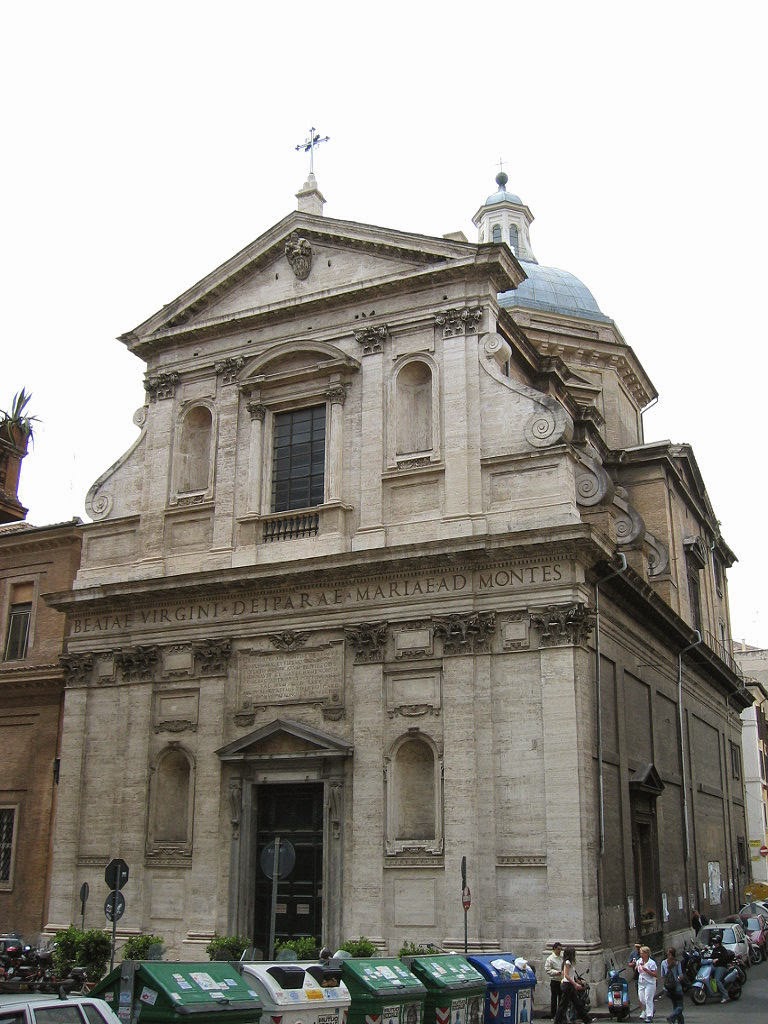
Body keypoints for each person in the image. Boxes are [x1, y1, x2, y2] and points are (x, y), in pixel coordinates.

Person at [554, 946, 591, 1024]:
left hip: (568, 985)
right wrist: (575, 984)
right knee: (564, 1005)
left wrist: (577, 981)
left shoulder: (568, 962)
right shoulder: (567, 962)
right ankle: (557, 1021)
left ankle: (587, 1019)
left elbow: (570, 975)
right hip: (567, 985)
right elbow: (566, 975)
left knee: (576, 1003)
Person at [660, 948, 684, 1024]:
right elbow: (681, 975)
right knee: (680, 1007)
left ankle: (679, 1022)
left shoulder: (663, 963)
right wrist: (677, 979)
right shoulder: (677, 962)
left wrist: (667, 982)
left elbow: (662, 975)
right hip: (677, 987)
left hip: (668, 988)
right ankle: (671, 1017)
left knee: (675, 1006)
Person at [710, 932, 735, 1003]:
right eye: (714, 942)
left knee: (717, 980)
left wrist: (718, 959)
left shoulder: (722, 949)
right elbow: (711, 957)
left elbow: (725, 958)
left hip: (721, 966)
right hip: (714, 966)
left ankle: (725, 996)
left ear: (719, 942)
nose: (714, 944)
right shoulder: (714, 950)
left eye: (716, 942)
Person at [636, 945, 657, 1022]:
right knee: (642, 999)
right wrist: (636, 966)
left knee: (648, 998)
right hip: (641, 983)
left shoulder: (651, 963)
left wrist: (647, 970)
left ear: (647, 953)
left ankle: (649, 1016)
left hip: (650, 983)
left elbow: (655, 974)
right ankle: (651, 1008)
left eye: (642, 953)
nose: (641, 954)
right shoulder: (639, 961)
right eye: (640, 953)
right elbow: (637, 969)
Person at [544, 942, 564, 1018]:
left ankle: (560, 1014)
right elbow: (547, 970)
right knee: (554, 998)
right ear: (554, 949)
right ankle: (553, 1014)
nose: (559, 951)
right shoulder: (550, 959)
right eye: (558, 949)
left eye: (560, 949)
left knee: (561, 998)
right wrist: (556, 972)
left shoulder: (562, 956)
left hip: (562, 980)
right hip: (555, 980)